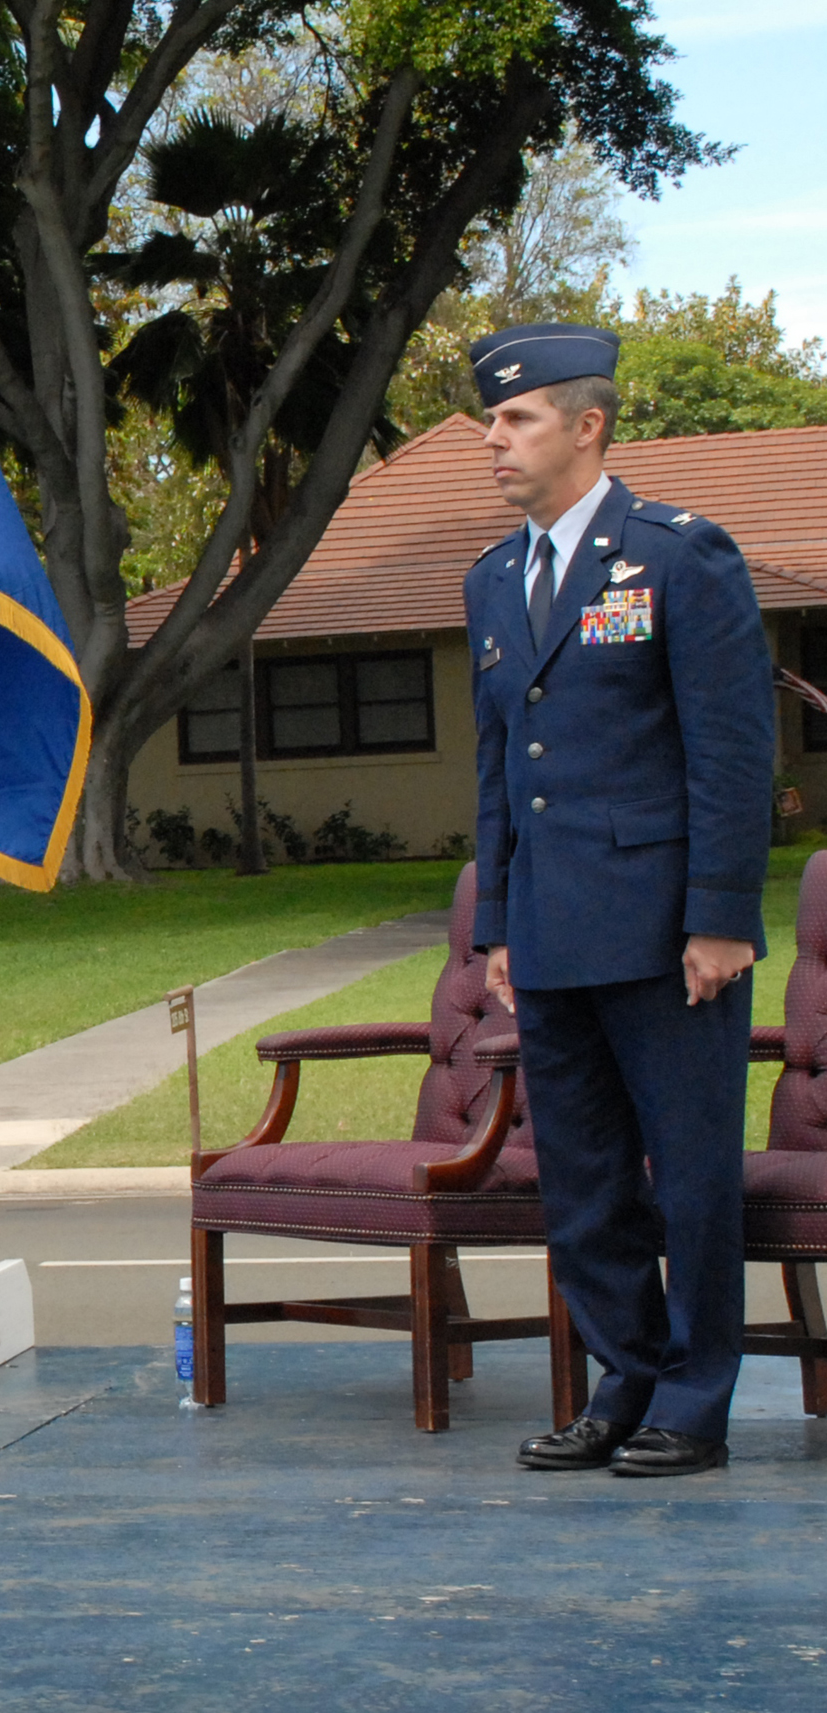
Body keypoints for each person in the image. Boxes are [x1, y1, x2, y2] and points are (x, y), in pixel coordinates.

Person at [465, 323, 775, 1478]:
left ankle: (695, 1400)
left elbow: (732, 753)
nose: (494, 440)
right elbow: (499, 770)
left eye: (516, 419)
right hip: (549, 931)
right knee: (586, 1186)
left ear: (586, 426)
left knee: (689, 1179)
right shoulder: (494, 578)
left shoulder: (679, 557)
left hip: (664, 931)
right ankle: (623, 1380)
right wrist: (495, 925)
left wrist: (721, 916)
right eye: (492, 422)